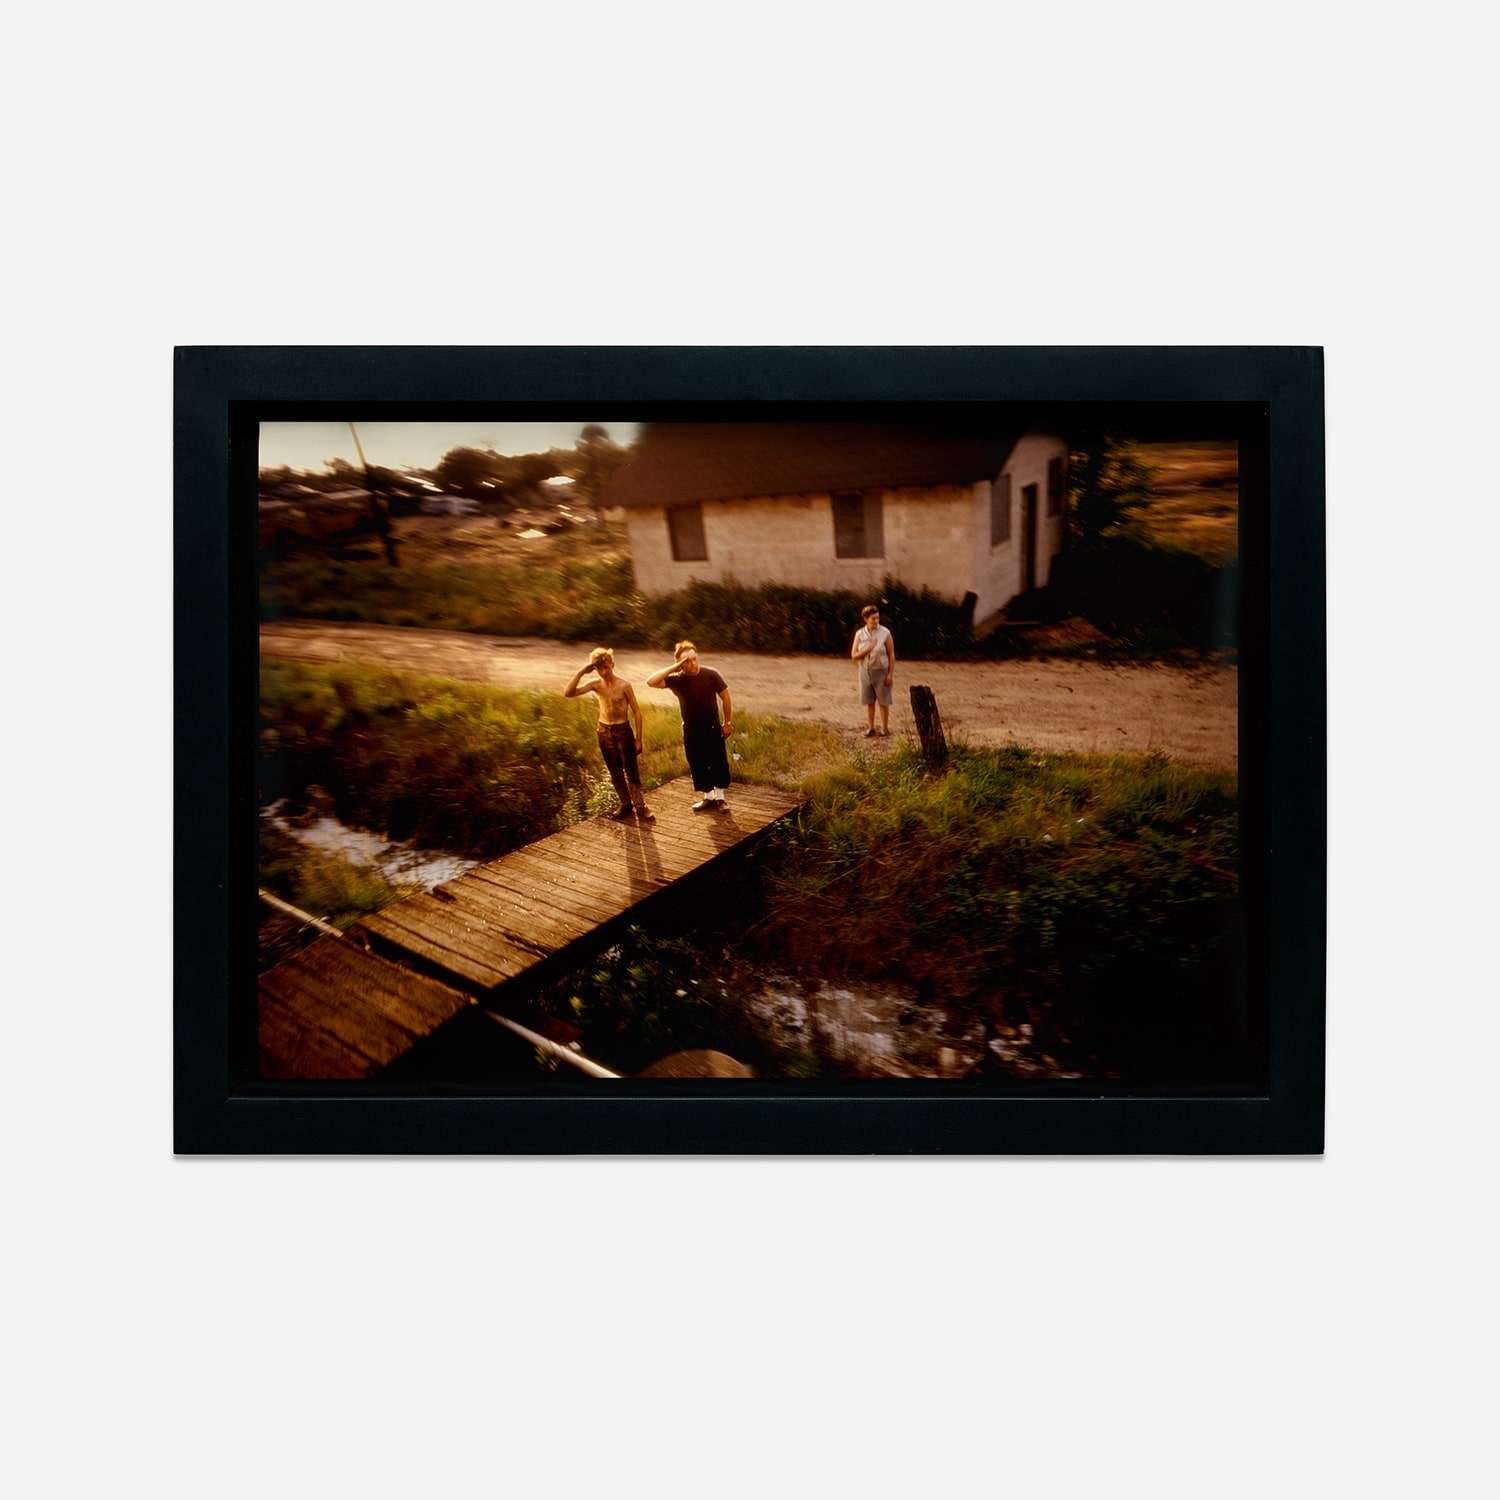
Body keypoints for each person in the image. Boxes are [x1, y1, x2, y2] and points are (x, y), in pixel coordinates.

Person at [564, 647, 655, 821]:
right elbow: (568, 693)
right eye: (599, 668)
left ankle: (641, 807)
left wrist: (638, 739)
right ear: (595, 669)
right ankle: (625, 804)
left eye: (606, 667)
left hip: (623, 730)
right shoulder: (595, 685)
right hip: (604, 731)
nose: (604, 672)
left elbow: (637, 712)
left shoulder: (624, 685)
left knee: (631, 771)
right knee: (615, 771)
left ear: (612, 664)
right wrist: (582, 671)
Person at [646, 641, 733, 812]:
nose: (692, 663)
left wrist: (727, 722)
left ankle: (721, 799)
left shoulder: (711, 674)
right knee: (697, 762)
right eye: (687, 660)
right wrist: (675, 667)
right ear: (679, 663)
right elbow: (650, 681)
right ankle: (708, 797)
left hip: (713, 728)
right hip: (691, 730)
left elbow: (726, 697)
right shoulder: (677, 680)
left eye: (694, 659)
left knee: (718, 761)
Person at [850, 604, 896, 737]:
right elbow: (853, 656)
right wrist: (868, 648)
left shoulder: (885, 633)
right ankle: (870, 728)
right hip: (864, 671)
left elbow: (891, 654)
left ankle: (885, 729)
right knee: (869, 701)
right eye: (873, 619)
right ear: (865, 619)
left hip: (881, 671)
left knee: (883, 701)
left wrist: (890, 673)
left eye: (878, 618)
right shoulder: (859, 634)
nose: (876, 621)